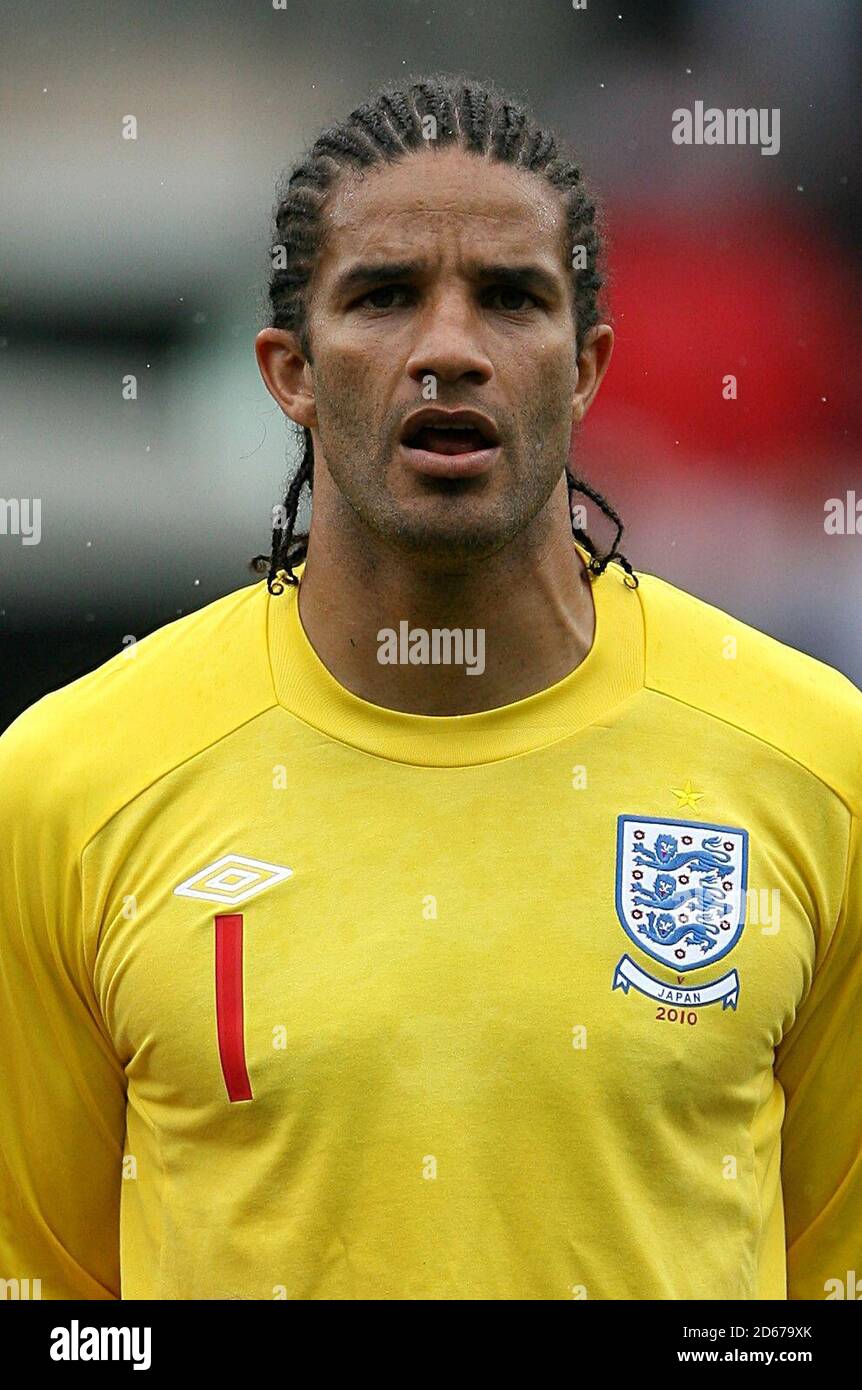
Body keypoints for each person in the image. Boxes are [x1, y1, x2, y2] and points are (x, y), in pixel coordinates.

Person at [1, 75, 859, 1302]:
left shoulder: (818, 761)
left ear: (586, 368)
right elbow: (42, 1290)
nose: (448, 350)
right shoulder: (67, 781)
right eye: (385, 296)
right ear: (290, 372)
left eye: (511, 299)